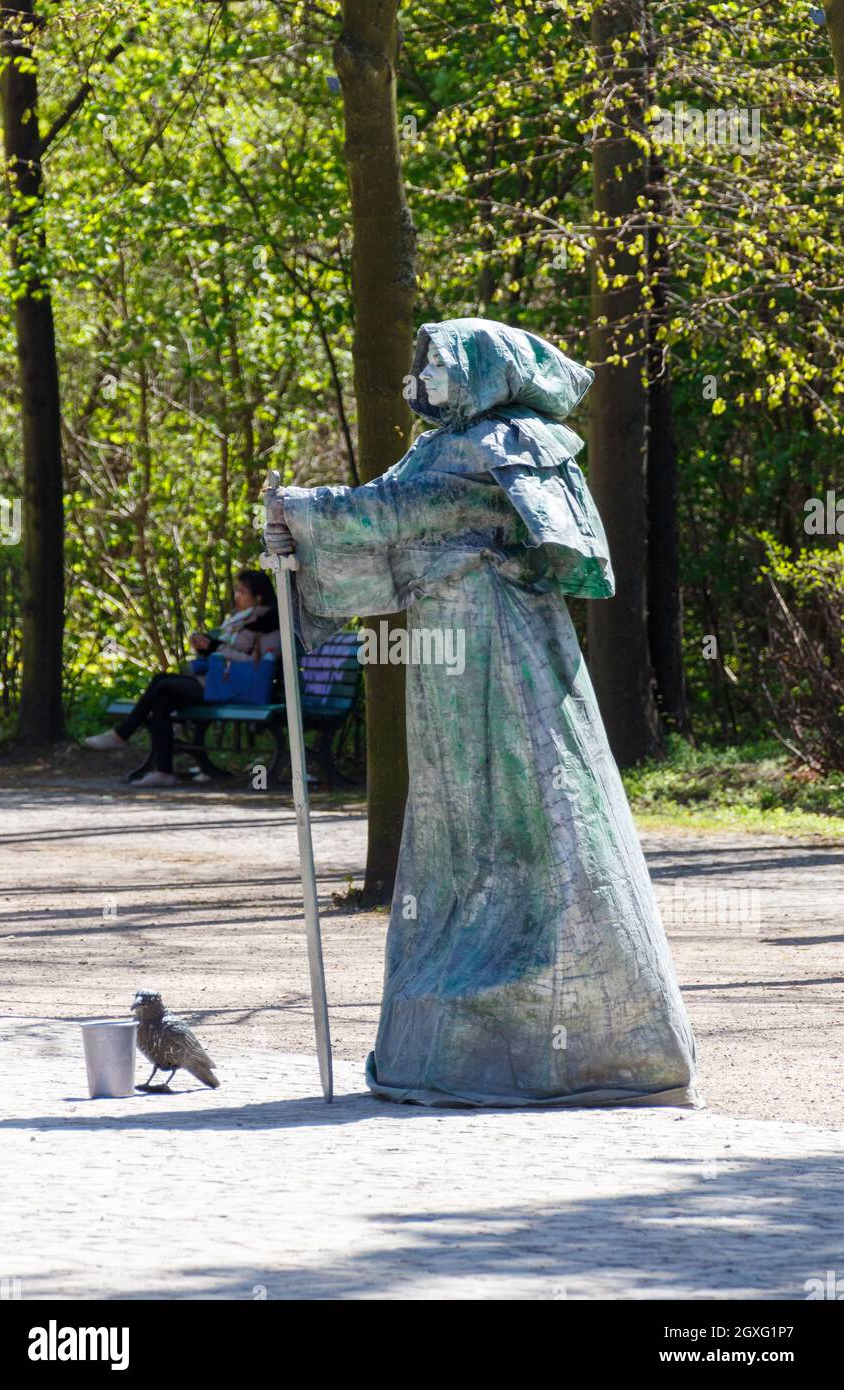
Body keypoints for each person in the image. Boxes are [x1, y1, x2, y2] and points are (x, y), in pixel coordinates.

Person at [264, 316, 702, 1110]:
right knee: (455, 809)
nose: (421, 381)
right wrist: (302, 529)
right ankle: (455, 1005)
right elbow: (392, 511)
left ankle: (566, 1024)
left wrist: (314, 511)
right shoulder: (436, 443)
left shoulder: (514, 442)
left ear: (480, 370)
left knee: (524, 799)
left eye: (436, 366)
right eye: (419, 366)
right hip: (443, 648)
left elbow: (415, 510)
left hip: (499, 637)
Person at [84, 568, 280, 787]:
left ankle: (122, 735)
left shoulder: (269, 623)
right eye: (237, 591)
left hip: (239, 688)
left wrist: (215, 648)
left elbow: (257, 662)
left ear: (258, 596)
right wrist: (206, 647)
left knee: (162, 681)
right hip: (219, 682)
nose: (237, 596)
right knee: (162, 701)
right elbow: (227, 651)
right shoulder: (238, 619)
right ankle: (163, 771)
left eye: (243, 592)